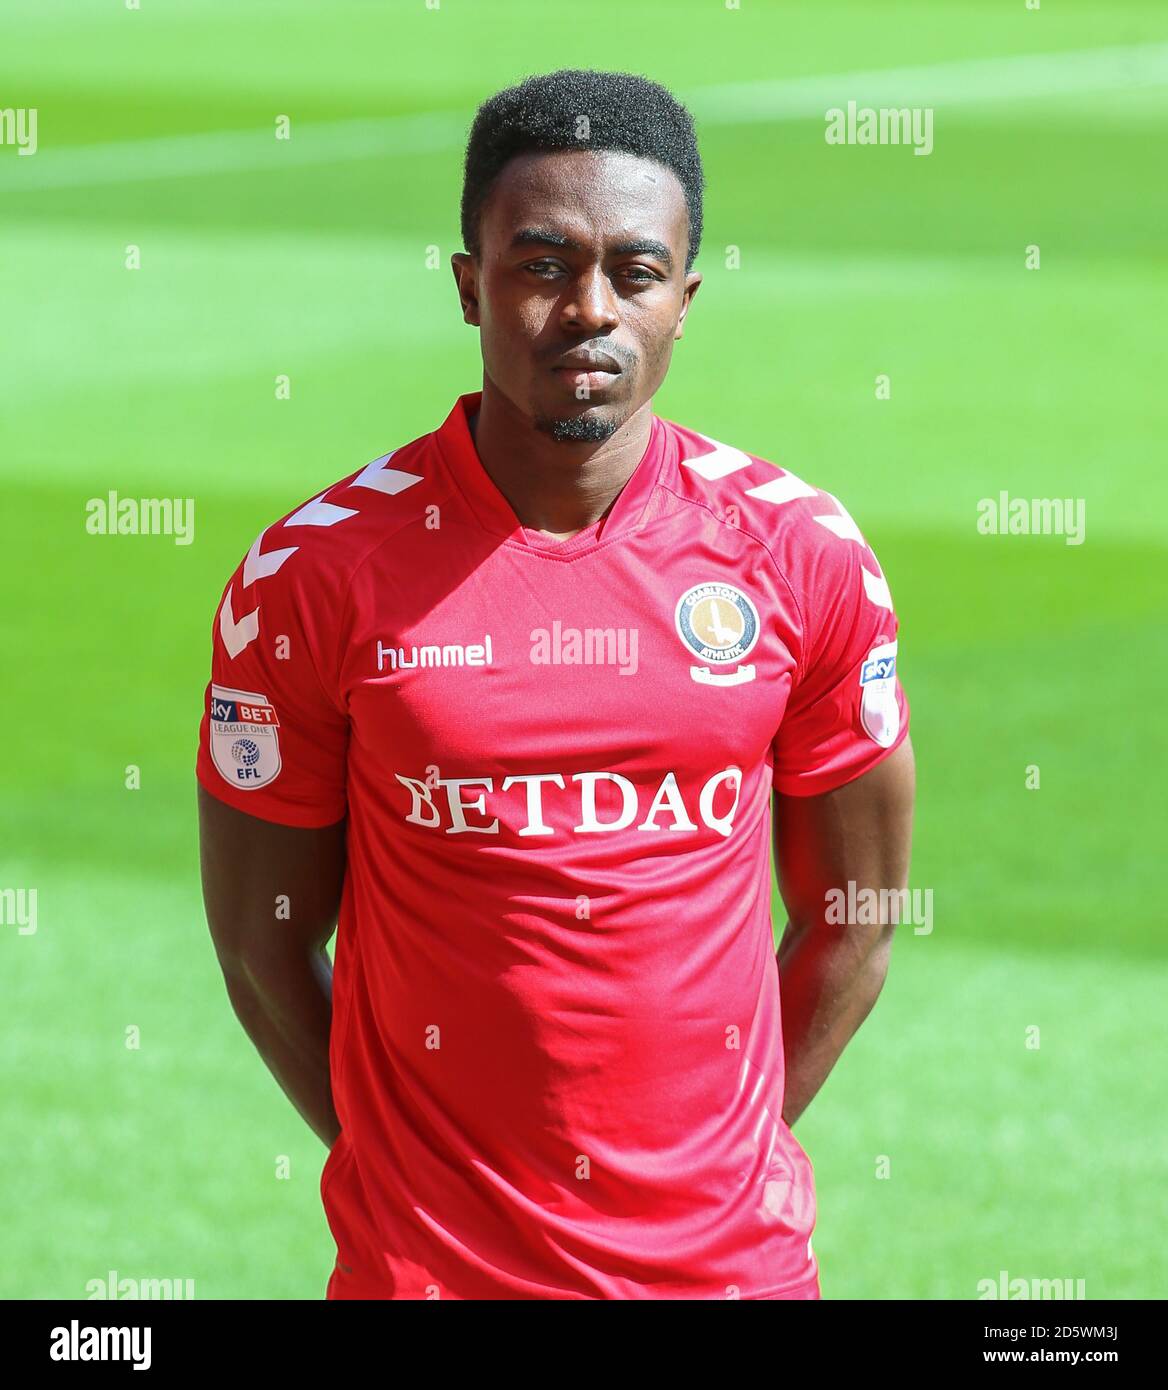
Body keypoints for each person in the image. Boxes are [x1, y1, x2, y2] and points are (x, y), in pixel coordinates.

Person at [196, 67, 915, 1300]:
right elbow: (265, 944)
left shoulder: (802, 555)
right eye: (541, 265)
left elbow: (853, 915)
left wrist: (723, 1156)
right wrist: (413, 1177)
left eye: (634, 272)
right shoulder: (313, 574)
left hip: (730, 1275)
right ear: (469, 281)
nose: (589, 309)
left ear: (684, 299)